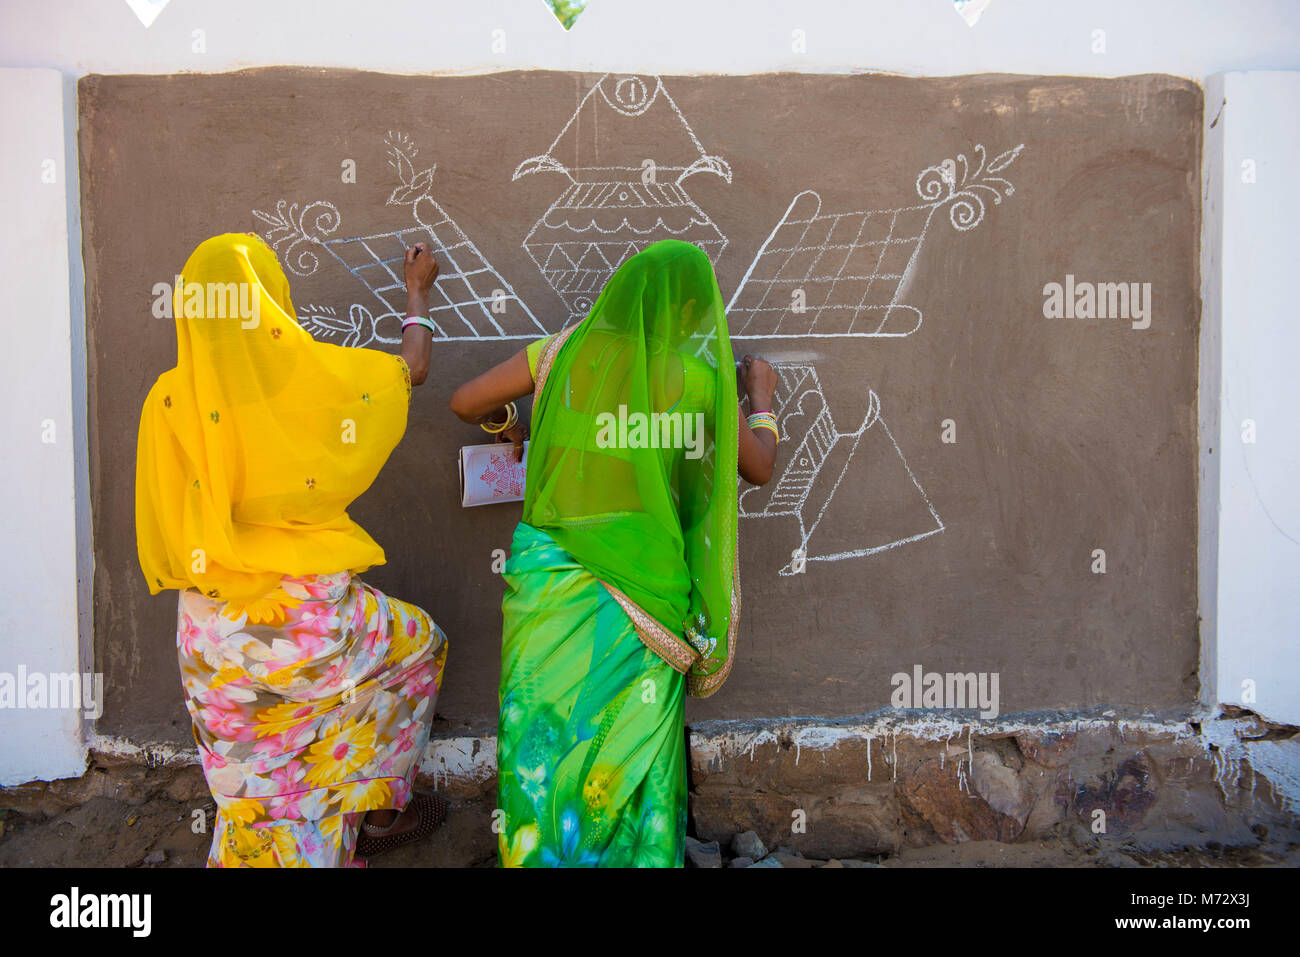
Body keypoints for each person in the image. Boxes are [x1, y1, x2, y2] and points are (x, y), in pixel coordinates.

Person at [449, 238, 778, 867]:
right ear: (689, 316)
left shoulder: (561, 352)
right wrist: (759, 402)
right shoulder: (700, 383)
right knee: (630, 745)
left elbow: (466, 401)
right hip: (643, 591)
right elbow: (758, 468)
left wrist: (512, 426)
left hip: (549, 581)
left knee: (542, 731)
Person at [135, 232, 450, 866]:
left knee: (258, 768)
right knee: (420, 648)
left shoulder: (170, 403)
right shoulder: (308, 385)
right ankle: (379, 806)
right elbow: (408, 370)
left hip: (212, 628)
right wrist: (417, 292)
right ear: (273, 301)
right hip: (314, 622)